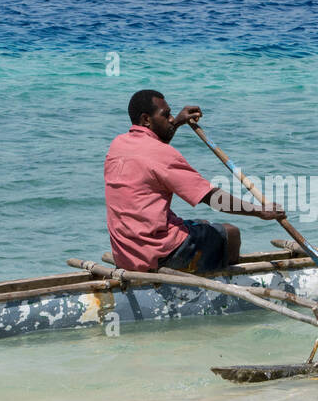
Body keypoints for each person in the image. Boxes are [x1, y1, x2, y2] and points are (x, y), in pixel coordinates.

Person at [104, 90, 285, 273]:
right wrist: (259, 211)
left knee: (203, 224)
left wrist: (177, 123)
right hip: (157, 252)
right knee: (231, 233)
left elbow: (154, 148)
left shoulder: (118, 145)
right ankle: (225, 284)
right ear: (146, 120)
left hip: (126, 253)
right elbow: (210, 197)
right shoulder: (161, 154)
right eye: (166, 115)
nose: (171, 118)